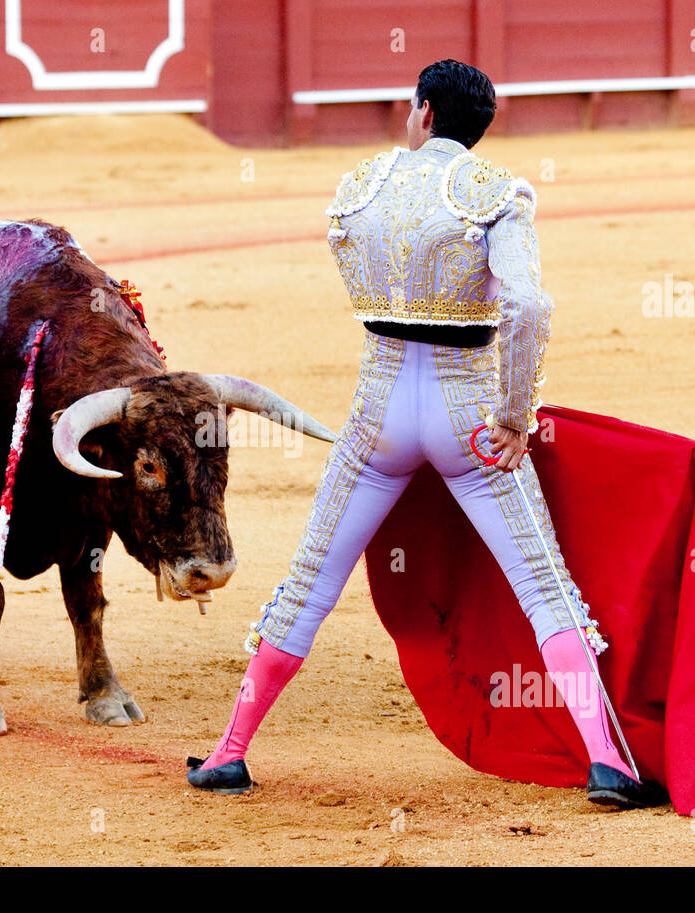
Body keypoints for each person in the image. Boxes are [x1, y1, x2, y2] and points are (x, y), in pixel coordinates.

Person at [186, 59, 667, 809]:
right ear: (477, 126)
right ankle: (608, 764)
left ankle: (229, 753)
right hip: (468, 420)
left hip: (376, 416)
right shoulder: (499, 194)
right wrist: (514, 415)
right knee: (545, 590)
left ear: (422, 112)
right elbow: (530, 308)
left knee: (309, 582)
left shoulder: (360, 186)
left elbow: (354, 267)